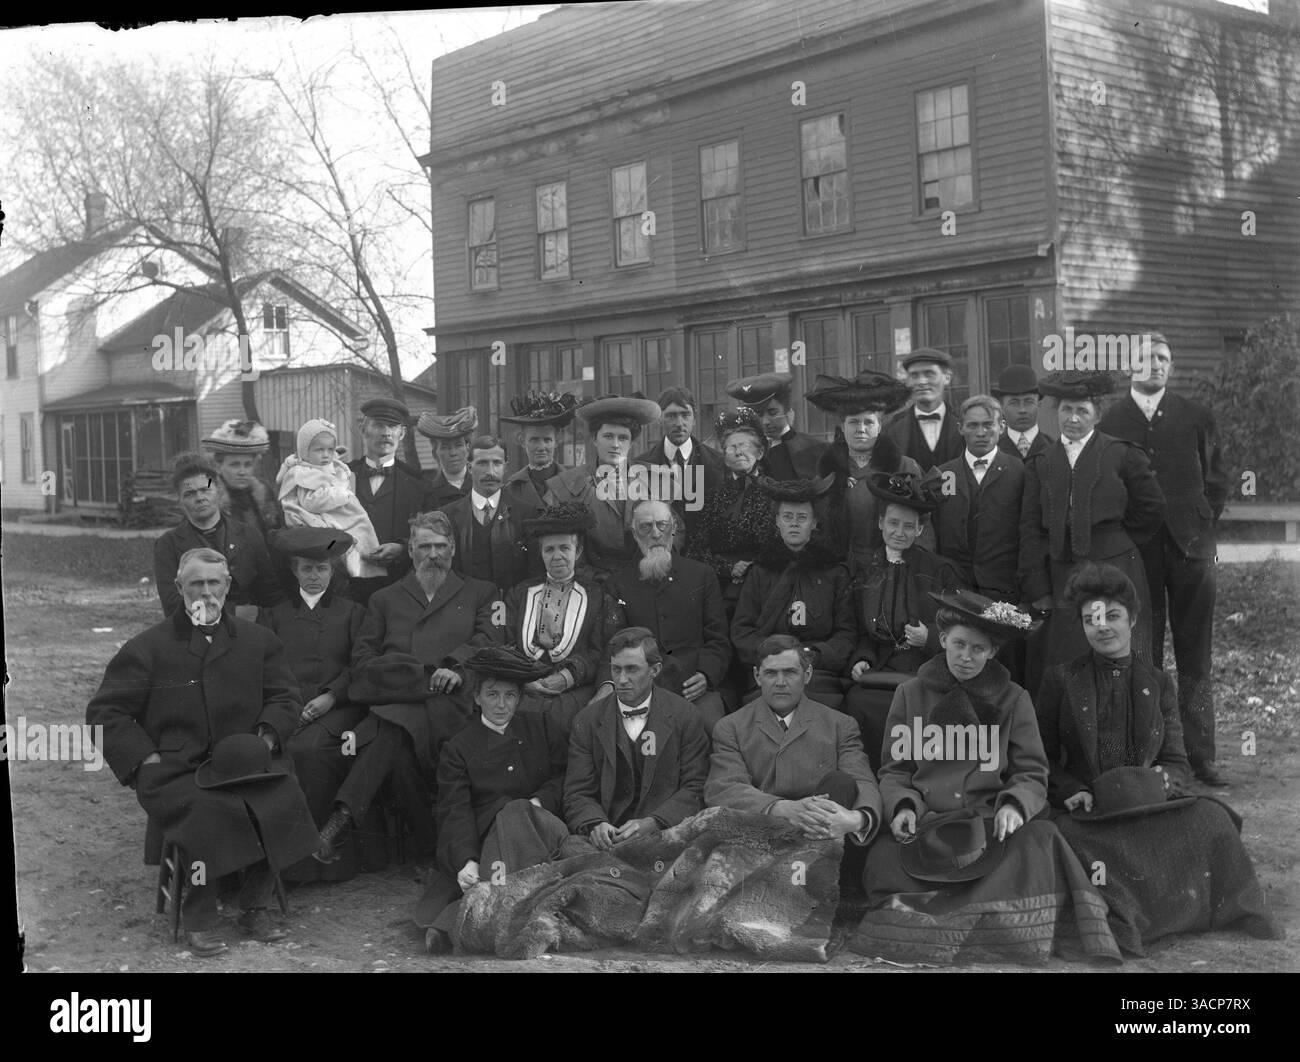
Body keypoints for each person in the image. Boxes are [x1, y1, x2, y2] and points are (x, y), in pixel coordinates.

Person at [852, 591, 1122, 966]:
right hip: (931, 824)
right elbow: (895, 771)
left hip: (988, 824)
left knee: (1043, 840)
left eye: (978, 649)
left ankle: (982, 926)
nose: (966, 657)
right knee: (882, 856)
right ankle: (967, 921)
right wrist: (903, 807)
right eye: (959, 644)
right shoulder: (910, 694)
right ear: (943, 640)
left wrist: (1014, 804)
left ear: (993, 652)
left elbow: (1031, 771)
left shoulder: (1013, 699)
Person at [87, 548, 320, 957]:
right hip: (179, 769)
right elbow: (105, 712)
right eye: (197, 584)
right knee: (206, 809)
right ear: (179, 588)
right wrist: (145, 759)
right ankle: (199, 914)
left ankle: (254, 903)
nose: (206, 593)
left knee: (286, 795)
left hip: (247, 760)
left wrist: (265, 739)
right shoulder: (149, 647)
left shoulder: (259, 641)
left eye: (215, 583)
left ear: (228, 587)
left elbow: (285, 697)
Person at [1036, 564, 1277, 952]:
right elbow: (1042, 755)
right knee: (1059, 838)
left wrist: (1157, 784)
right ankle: (1129, 917)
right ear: (1082, 626)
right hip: (1091, 812)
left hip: (1148, 806)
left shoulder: (1159, 684)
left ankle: (1224, 907)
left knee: (1213, 818)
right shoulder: (1061, 680)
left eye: (1112, 616)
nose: (1103, 628)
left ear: (1132, 619)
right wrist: (1072, 789)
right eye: (1091, 620)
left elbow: (1176, 761)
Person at [313, 510, 505, 865]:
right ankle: (430, 849)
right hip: (400, 695)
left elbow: (490, 639)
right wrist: (398, 674)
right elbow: (364, 655)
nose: (433, 554)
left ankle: (342, 819)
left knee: (393, 737)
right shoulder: (385, 599)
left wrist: (455, 666)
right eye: (424, 546)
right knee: (398, 743)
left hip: (452, 701)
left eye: (441, 546)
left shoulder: (482, 592)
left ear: (453, 550)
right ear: (411, 550)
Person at [1099, 335, 1229, 786]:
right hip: (1138, 554)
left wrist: (1201, 522)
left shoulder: (1196, 417)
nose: (1154, 364)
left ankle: (1201, 756)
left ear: (1170, 367)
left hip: (1192, 551)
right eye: (1145, 357)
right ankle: (1151, 752)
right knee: (1141, 652)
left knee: (1196, 656)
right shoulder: (1112, 419)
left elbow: (1217, 480)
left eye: (1163, 358)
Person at [1019, 370, 1166, 695]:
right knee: (1067, 657)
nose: (1072, 418)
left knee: (1116, 649)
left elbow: (1152, 506)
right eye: (1065, 410)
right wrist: (1038, 585)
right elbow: (1030, 527)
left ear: (1097, 415)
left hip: (1116, 569)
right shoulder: (1041, 461)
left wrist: (1118, 541)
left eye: (1082, 411)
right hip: (1062, 574)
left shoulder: (1120, 453)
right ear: (1055, 413)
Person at [414, 646, 576, 943]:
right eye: (492, 694)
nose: (501, 705)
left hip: (542, 830)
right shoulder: (459, 747)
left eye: (510, 695)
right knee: (505, 828)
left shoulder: (540, 726)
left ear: (520, 698)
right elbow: (455, 810)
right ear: (476, 697)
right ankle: (495, 918)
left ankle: (462, 921)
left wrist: (536, 804)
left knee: (520, 817)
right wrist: (467, 860)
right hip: (487, 839)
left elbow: (563, 776)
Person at [260, 527, 373, 881]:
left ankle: (324, 856)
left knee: (308, 751)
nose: (314, 576)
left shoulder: (353, 612)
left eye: (321, 569)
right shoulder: (274, 615)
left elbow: (361, 664)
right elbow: (263, 669)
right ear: (294, 569)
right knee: (278, 753)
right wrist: (289, 704)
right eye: (307, 568)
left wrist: (332, 695)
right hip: (287, 707)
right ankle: (285, 861)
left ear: (332, 570)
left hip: (339, 709)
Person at [705, 635, 881, 853]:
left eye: (790, 672)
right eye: (770, 673)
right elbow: (725, 788)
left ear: (807, 675)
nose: (780, 682)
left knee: (841, 782)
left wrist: (857, 818)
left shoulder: (840, 724)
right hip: (760, 840)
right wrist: (783, 808)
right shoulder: (731, 727)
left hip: (822, 841)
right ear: (757, 676)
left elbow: (862, 780)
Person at [843, 471, 963, 770]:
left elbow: (963, 625)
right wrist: (862, 658)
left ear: (920, 529)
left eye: (909, 526)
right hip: (880, 669)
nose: (900, 532)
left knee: (926, 704)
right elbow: (858, 628)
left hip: (926, 667)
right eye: (893, 523)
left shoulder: (940, 570)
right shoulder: (863, 569)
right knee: (859, 702)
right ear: (880, 522)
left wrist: (931, 637)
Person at [564, 628, 711, 848]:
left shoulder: (685, 716)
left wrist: (653, 823)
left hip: (666, 832)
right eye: (616, 670)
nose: (622, 680)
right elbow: (577, 792)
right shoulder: (586, 721)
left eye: (632, 669)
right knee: (571, 847)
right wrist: (596, 824)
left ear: (655, 670)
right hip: (609, 837)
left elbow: (695, 788)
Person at [601, 499, 732, 731]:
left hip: (693, 685)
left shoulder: (701, 575)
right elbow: (614, 645)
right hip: (641, 686)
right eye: (646, 527)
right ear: (634, 533)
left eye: (662, 525)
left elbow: (718, 638)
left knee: (713, 727)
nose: (655, 534)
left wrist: (706, 675)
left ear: (673, 528)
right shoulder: (618, 584)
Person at [730, 474, 856, 709]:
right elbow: (742, 630)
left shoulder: (833, 572)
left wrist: (815, 655)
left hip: (818, 674)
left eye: (802, 517)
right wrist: (774, 655)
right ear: (777, 521)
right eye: (787, 517)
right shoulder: (760, 571)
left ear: (815, 522)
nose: (794, 523)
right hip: (770, 672)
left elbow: (846, 633)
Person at [504, 503, 626, 735]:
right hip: (525, 689)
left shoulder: (597, 594)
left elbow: (604, 650)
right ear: (540, 553)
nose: (557, 556)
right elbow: (507, 643)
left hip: (576, 691)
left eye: (564, 548)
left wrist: (568, 677)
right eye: (549, 549)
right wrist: (523, 680)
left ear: (578, 551)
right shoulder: (520, 593)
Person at [542, 394, 663, 585]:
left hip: (648, 580)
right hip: (591, 585)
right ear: (594, 439)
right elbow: (561, 542)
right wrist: (597, 578)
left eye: (623, 438)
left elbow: (675, 531)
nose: (615, 444)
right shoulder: (565, 485)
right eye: (608, 436)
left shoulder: (656, 480)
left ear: (632, 443)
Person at [806, 369, 920, 570]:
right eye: (854, 422)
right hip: (840, 569)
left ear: (879, 426)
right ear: (842, 427)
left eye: (868, 422)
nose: (861, 429)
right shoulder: (827, 474)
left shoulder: (905, 468)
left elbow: (921, 525)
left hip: (890, 567)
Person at [153, 451, 283, 620]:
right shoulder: (168, 544)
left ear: (218, 490)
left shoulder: (249, 534)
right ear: (180, 501)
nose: (200, 498)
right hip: (197, 633)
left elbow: (270, 592)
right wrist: (235, 613)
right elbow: (173, 605)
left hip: (249, 632)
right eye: (189, 494)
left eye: (205, 489)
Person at [685, 406, 781, 618]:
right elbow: (695, 551)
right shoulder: (712, 498)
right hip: (721, 586)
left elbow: (783, 545)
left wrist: (751, 568)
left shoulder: (777, 494)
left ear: (760, 452)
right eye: (731, 448)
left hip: (766, 584)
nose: (739, 452)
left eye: (746, 446)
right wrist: (729, 568)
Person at [346, 397, 438, 605]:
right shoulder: (342, 477)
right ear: (363, 429)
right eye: (378, 425)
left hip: (400, 591)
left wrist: (402, 549)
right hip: (348, 591)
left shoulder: (420, 486)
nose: (386, 432)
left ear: (402, 433)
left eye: (392, 426)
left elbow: (432, 536)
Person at [275, 418, 384, 580]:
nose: (326, 455)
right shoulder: (304, 473)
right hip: (316, 517)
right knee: (344, 536)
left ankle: (368, 559)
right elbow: (311, 503)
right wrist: (342, 494)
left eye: (330, 449)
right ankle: (356, 562)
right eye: (319, 450)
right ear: (305, 450)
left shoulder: (326, 467)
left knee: (361, 522)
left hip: (336, 511)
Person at [631, 386, 726, 552]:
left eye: (685, 415)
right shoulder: (641, 466)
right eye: (671, 416)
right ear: (659, 419)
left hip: (709, 561)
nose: (679, 423)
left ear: (694, 418)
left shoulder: (719, 463)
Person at [441, 434, 533, 595]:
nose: (490, 472)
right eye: (482, 463)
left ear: (506, 467)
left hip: (511, 608)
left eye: (497, 463)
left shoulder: (525, 514)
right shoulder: (447, 516)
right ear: (469, 467)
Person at [725, 371, 827, 481]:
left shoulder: (815, 449)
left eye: (773, 413)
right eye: (758, 415)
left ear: (787, 411)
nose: (765, 422)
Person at [499, 391, 578, 530]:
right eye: (534, 440)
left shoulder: (575, 485)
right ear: (522, 441)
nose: (541, 447)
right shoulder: (511, 489)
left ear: (556, 440)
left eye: (547, 440)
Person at [882, 348, 964, 472]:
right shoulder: (891, 428)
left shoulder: (965, 424)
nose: (921, 381)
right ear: (907, 381)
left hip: (954, 491)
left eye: (929, 374)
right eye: (914, 375)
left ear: (947, 378)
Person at [201, 419, 283, 538]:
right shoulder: (209, 495)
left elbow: (277, 530)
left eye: (248, 465)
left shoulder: (263, 492)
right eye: (235, 464)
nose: (242, 472)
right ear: (218, 466)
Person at [417, 406, 477, 508]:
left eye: (458, 445)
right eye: (445, 447)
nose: (453, 453)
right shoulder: (426, 494)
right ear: (435, 453)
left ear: (468, 449)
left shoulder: (480, 486)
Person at [993, 364, 1053, 461]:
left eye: (1029, 401)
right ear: (1001, 406)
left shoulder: (1056, 450)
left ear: (1039, 404)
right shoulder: (992, 452)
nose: (1022, 410)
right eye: (1014, 402)